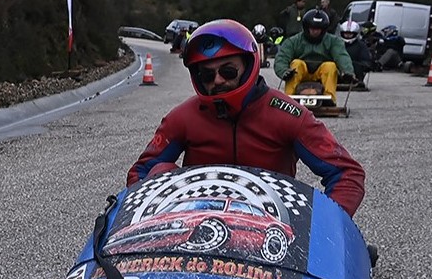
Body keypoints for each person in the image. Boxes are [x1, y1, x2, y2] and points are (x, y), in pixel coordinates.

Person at [128, 19, 365, 217]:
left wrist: (327, 226)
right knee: (161, 170)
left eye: (228, 71)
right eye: (207, 75)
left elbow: (347, 173)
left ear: (248, 64)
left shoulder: (289, 115)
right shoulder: (181, 117)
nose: (218, 81)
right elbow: (140, 173)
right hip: (197, 219)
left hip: (272, 224)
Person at [275, 9, 355, 98]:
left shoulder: (333, 41)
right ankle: (288, 98)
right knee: (296, 63)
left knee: (330, 66)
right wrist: (284, 71)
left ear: (323, 29)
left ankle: (330, 98)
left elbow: (341, 56)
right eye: (312, 28)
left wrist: (347, 72)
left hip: (321, 72)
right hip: (302, 72)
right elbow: (282, 57)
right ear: (306, 27)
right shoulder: (293, 41)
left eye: (318, 29)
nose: (315, 31)